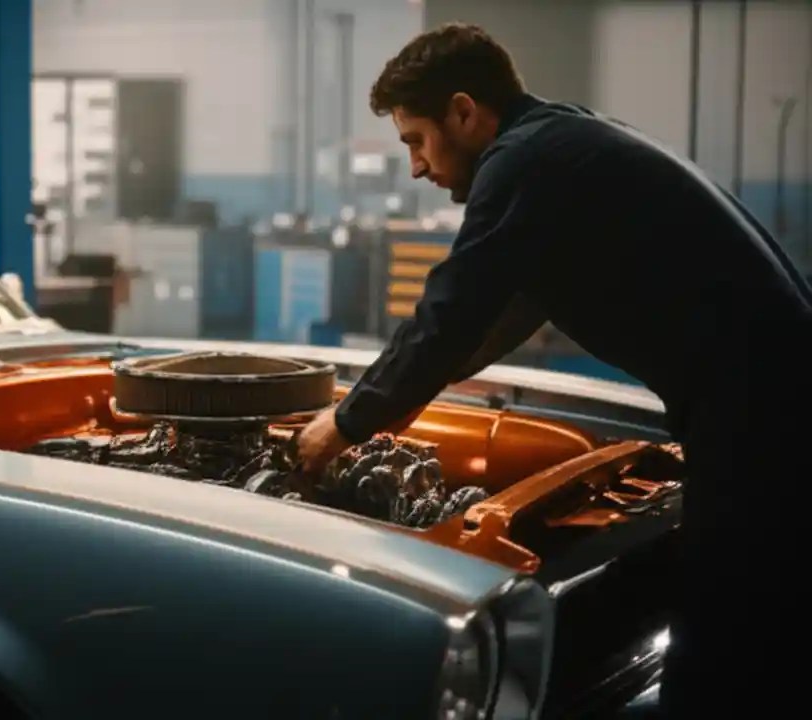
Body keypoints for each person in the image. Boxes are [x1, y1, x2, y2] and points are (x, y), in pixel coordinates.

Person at [295, 22, 812, 720]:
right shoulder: (562, 139)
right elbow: (509, 311)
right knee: (716, 590)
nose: (416, 166)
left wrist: (346, 424)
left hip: (762, 412)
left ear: (463, 112)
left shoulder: (522, 163)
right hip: (770, 397)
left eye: (415, 140)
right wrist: (413, 397)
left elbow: (451, 310)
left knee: (721, 635)